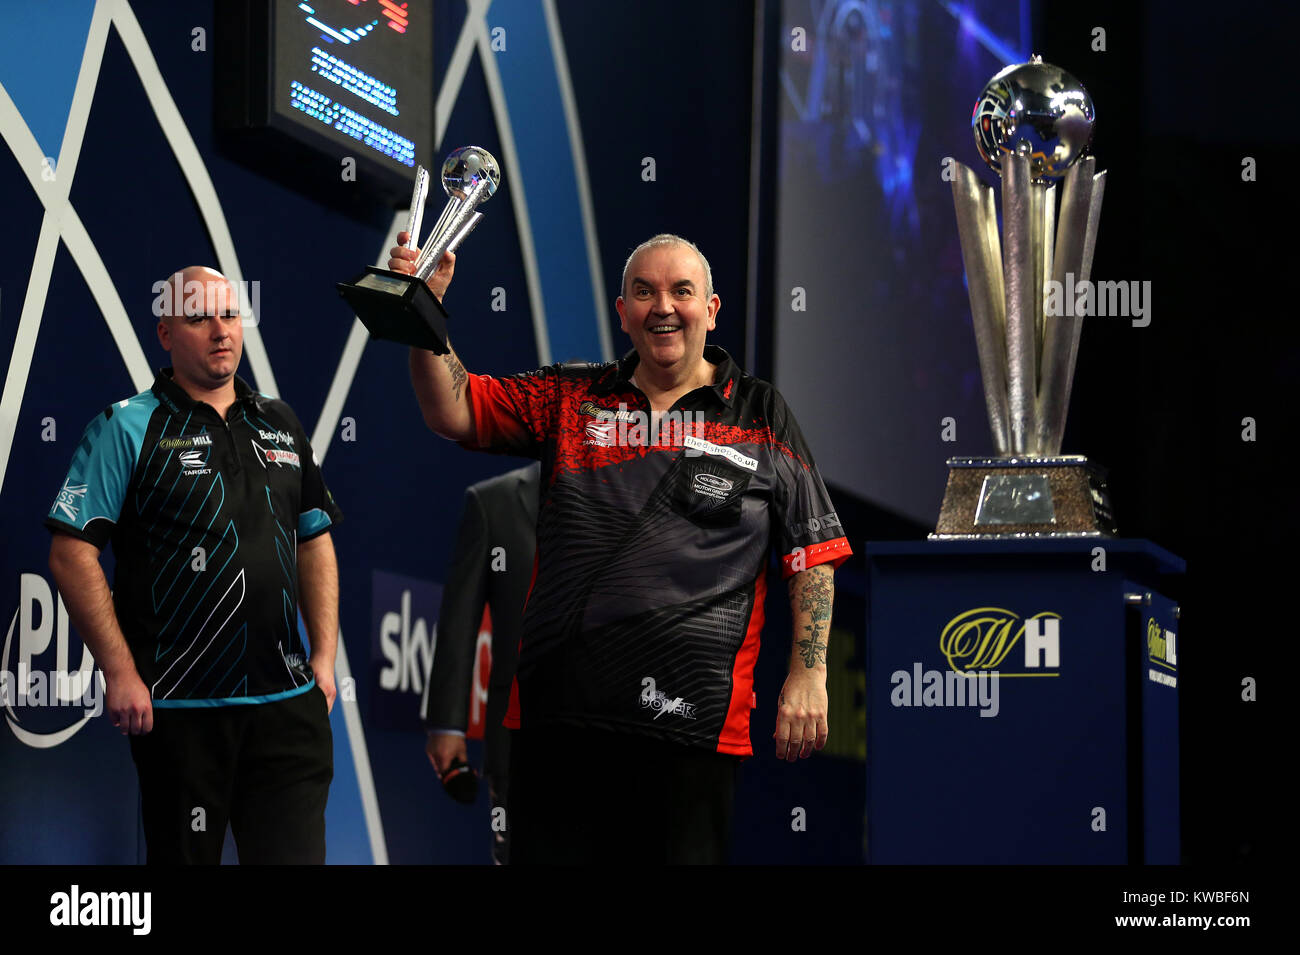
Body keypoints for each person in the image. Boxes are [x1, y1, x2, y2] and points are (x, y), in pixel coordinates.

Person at [391, 233, 851, 864]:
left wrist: (809, 672)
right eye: (645, 292)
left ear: (711, 309)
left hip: (694, 731)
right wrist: (423, 308)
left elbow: (812, 552)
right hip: (559, 729)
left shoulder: (761, 413)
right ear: (623, 311)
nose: (663, 306)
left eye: (681, 291)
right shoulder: (571, 397)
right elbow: (455, 407)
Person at [45, 266, 341, 864]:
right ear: (164, 333)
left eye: (230, 315)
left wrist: (325, 660)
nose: (220, 330)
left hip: (286, 712)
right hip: (181, 714)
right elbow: (72, 551)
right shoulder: (127, 425)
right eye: (198, 316)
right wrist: (120, 672)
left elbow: (314, 539)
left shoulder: (280, 423)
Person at [422, 461, 540, 865]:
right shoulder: (494, 502)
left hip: (619, 735)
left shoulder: (635, 494)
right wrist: (447, 724)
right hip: (520, 738)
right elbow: (459, 619)